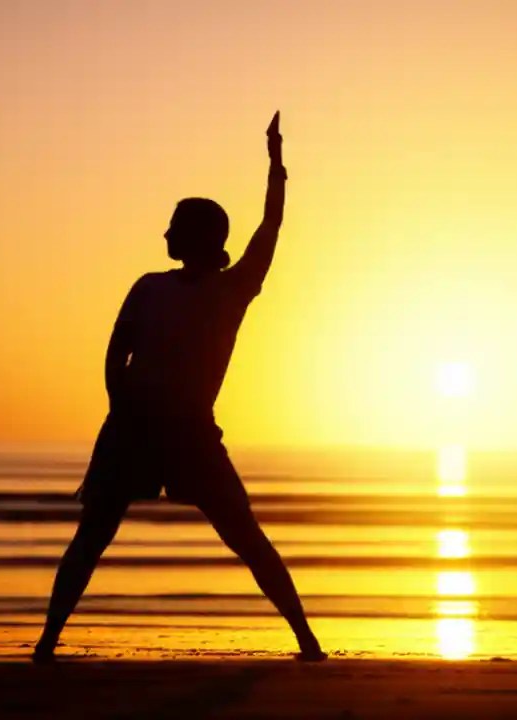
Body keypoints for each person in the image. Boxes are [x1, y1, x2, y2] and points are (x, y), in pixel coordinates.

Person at [34, 112, 325, 662]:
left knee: (244, 536)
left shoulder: (232, 288)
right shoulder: (148, 287)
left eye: (173, 226)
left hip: (190, 434)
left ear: (196, 236)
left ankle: (307, 641)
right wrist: (121, 412)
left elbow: (271, 228)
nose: (164, 234)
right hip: (132, 431)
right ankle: (47, 642)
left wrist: (276, 166)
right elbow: (115, 353)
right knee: (92, 538)